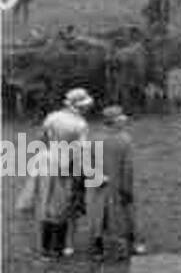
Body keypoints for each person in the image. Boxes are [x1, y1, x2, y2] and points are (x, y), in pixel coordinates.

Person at [31, 89, 94, 258]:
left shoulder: (51, 117)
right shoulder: (80, 124)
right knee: (62, 208)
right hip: (65, 165)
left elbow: (41, 139)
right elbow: (81, 150)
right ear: (80, 106)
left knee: (47, 203)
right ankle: (57, 249)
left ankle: (45, 248)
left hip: (46, 161)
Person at [85, 105, 143, 260]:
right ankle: (126, 247)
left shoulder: (93, 138)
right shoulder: (124, 140)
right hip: (117, 185)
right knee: (122, 215)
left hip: (96, 184)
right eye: (120, 117)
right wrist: (127, 189)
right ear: (114, 122)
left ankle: (97, 249)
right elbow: (128, 168)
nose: (124, 119)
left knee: (97, 216)